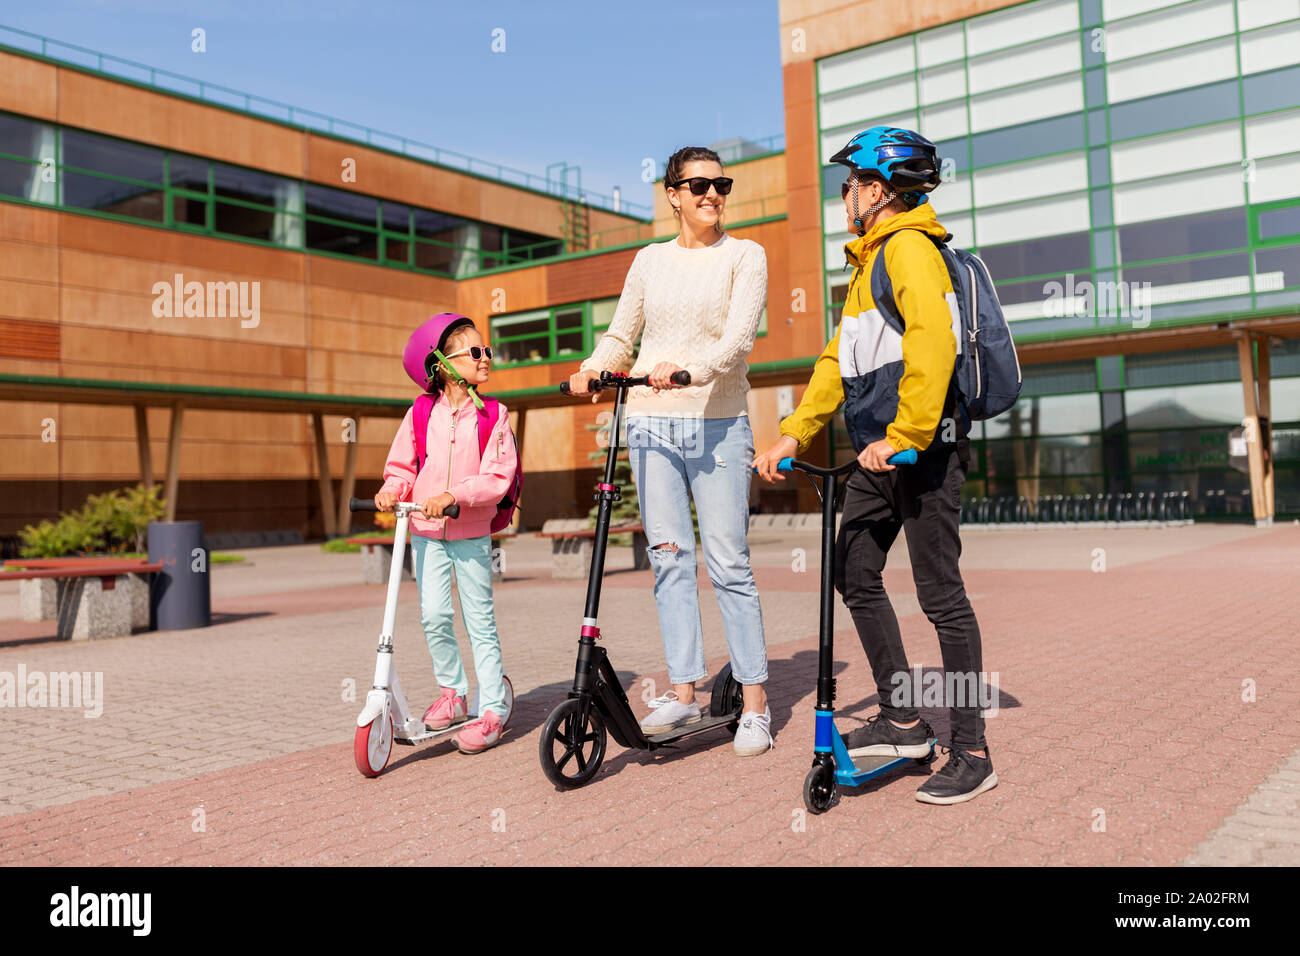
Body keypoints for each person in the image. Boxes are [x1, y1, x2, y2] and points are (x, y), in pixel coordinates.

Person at [754, 127, 997, 803]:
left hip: (923, 452)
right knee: (854, 569)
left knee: (940, 594)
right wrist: (795, 435)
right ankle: (904, 720)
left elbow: (934, 344)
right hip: (879, 456)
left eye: (849, 186)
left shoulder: (911, 250)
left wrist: (907, 433)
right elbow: (837, 361)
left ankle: (972, 749)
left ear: (877, 190)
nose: (844, 198)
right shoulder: (867, 267)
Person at [567, 146, 773, 756]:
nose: (712, 195)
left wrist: (686, 369)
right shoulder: (649, 261)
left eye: (721, 184)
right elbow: (620, 334)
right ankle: (683, 692)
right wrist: (593, 369)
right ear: (673, 194)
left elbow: (738, 341)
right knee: (668, 557)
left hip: (717, 422)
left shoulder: (745, 256)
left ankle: (756, 702)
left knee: (728, 563)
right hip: (651, 423)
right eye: (699, 185)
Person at [375, 313, 518, 755]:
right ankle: (452, 693)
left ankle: (492, 708)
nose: (486, 358)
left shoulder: (493, 415)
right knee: (434, 615)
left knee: (479, 622)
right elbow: (403, 465)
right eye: (476, 352)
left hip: (470, 532)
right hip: (425, 531)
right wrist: (390, 489)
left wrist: (453, 493)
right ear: (443, 364)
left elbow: (498, 476)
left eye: (488, 351)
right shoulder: (420, 413)